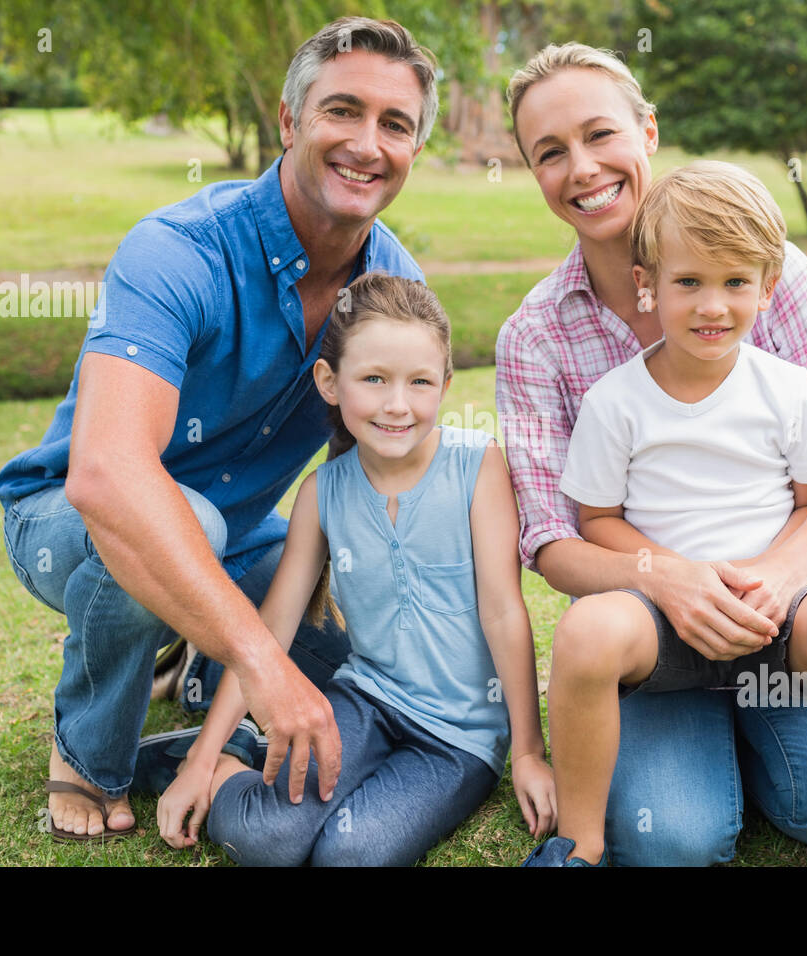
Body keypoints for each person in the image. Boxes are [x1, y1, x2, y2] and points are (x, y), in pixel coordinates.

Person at [0, 17, 440, 840]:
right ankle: (89, 755)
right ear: (289, 121)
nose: (367, 144)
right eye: (342, 111)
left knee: (348, 658)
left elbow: (382, 479)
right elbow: (106, 477)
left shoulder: (392, 284)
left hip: (233, 535)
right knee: (179, 522)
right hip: (64, 516)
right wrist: (261, 661)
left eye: (395, 124)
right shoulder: (179, 250)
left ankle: (194, 664)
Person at [496, 43, 807, 865]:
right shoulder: (534, 337)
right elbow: (554, 538)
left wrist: (779, 579)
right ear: (533, 171)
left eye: (599, 134)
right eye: (550, 152)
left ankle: (769, 738)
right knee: (674, 840)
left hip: (776, 612)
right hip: (654, 631)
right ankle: (685, 751)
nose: (581, 168)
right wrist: (673, 581)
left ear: (647, 130)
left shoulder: (774, 273)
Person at [133, 273, 556, 865]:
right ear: (330, 382)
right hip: (363, 700)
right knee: (267, 840)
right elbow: (271, 631)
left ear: (446, 385)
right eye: (374, 379)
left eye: (419, 382)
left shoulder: (477, 466)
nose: (397, 404)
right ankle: (226, 757)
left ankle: (260, 760)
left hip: (457, 742)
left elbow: (503, 611)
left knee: (350, 854)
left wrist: (529, 751)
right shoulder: (322, 493)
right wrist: (203, 763)